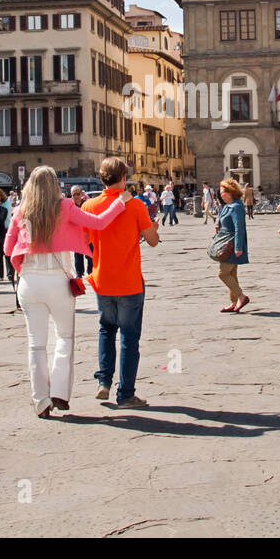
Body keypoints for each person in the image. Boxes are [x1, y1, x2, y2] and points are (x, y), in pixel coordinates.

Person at [4, 166, 128, 417]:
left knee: (35, 345)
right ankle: (60, 392)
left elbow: (8, 248)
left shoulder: (20, 211)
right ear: (55, 186)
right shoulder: (65, 207)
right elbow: (99, 223)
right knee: (64, 338)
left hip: (28, 282)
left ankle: (40, 401)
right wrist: (120, 203)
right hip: (57, 282)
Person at [82, 157, 161, 408]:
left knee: (106, 329)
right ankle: (125, 394)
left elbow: (84, 240)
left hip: (102, 279)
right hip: (129, 282)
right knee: (129, 337)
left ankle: (103, 381)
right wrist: (154, 228)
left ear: (101, 177)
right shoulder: (135, 206)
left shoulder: (89, 205)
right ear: (124, 178)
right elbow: (152, 241)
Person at [215, 179, 250, 313]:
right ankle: (234, 302)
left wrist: (238, 247)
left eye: (223, 192)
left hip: (231, 245)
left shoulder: (236, 207)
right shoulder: (228, 206)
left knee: (223, 274)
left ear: (230, 192)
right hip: (226, 244)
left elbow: (239, 228)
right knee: (232, 274)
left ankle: (241, 297)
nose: (221, 195)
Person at [69, 186, 93, 279]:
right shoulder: (70, 206)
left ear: (82, 194)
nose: (76, 196)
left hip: (88, 233)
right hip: (76, 234)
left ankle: (90, 272)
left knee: (90, 254)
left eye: (77, 194)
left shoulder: (87, 204)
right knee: (78, 256)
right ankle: (79, 273)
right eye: (73, 195)